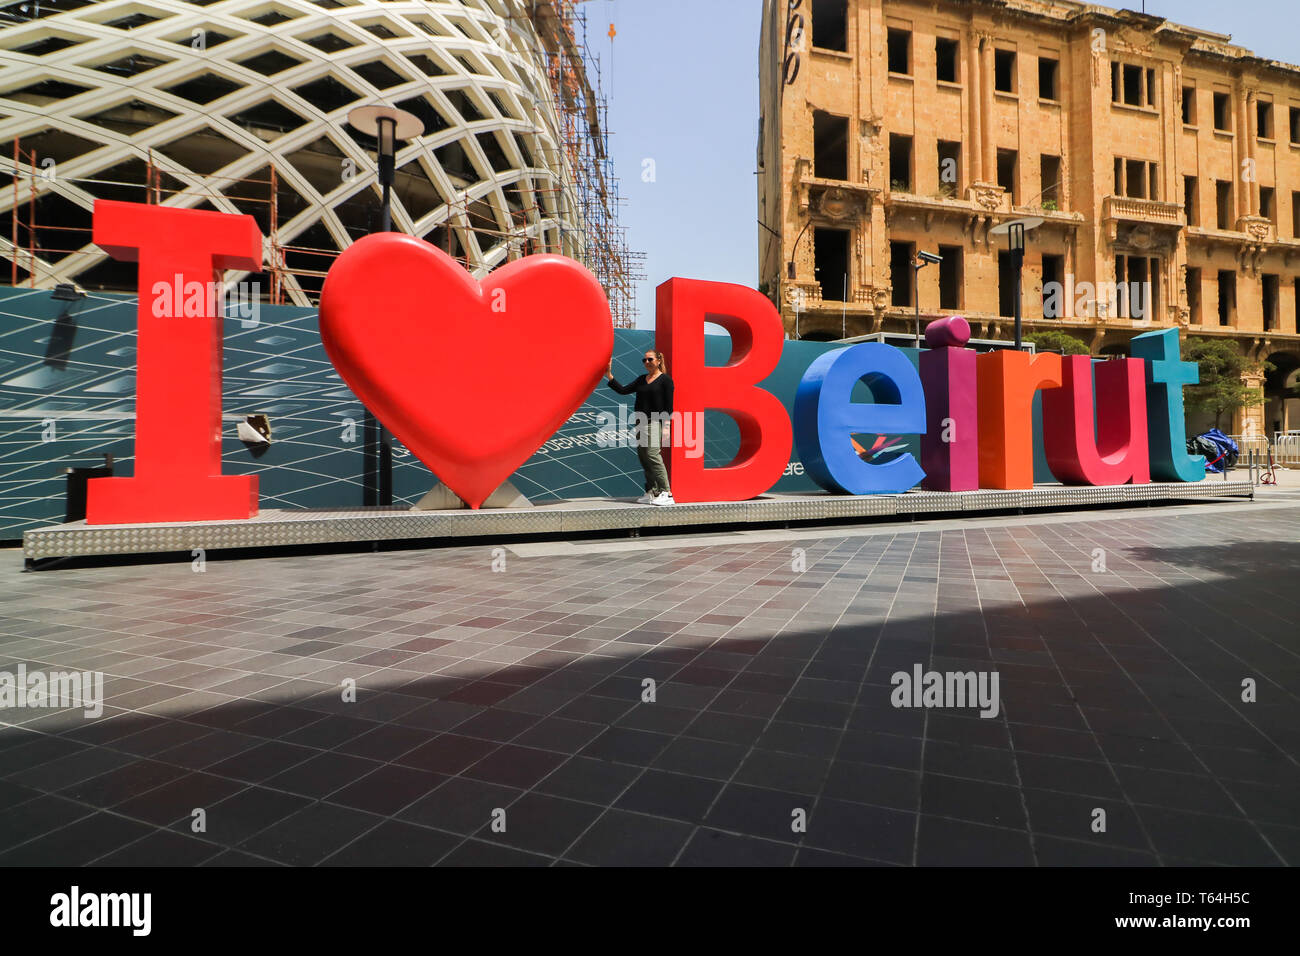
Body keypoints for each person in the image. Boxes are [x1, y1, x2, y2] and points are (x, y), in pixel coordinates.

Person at [606, 350, 674, 506]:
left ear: (658, 360)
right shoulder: (642, 379)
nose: (647, 362)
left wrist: (667, 426)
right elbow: (623, 390)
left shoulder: (665, 381)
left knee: (653, 455)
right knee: (644, 458)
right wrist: (609, 375)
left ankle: (667, 492)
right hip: (640, 422)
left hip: (655, 422)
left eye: (650, 359)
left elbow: (669, 406)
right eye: (644, 360)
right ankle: (653, 491)